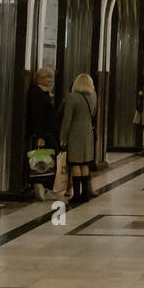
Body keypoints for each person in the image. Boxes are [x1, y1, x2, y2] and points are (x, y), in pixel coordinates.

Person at [59, 72, 97, 205]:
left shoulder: (72, 97)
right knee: (85, 163)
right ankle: (85, 194)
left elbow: (67, 119)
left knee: (75, 163)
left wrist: (62, 137)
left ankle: (77, 195)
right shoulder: (93, 96)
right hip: (88, 132)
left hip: (75, 133)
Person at [26, 67, 58, 197]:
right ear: (39, 78)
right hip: (44, 133)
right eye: (47, 77)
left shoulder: (43, 92)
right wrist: (40, 136)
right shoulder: (37, 93)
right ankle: (41, 184)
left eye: (51, 77)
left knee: (48, 159)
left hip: (48, 132)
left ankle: (44, 186)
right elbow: (37, 115)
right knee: (46, 160)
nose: (50, 80)